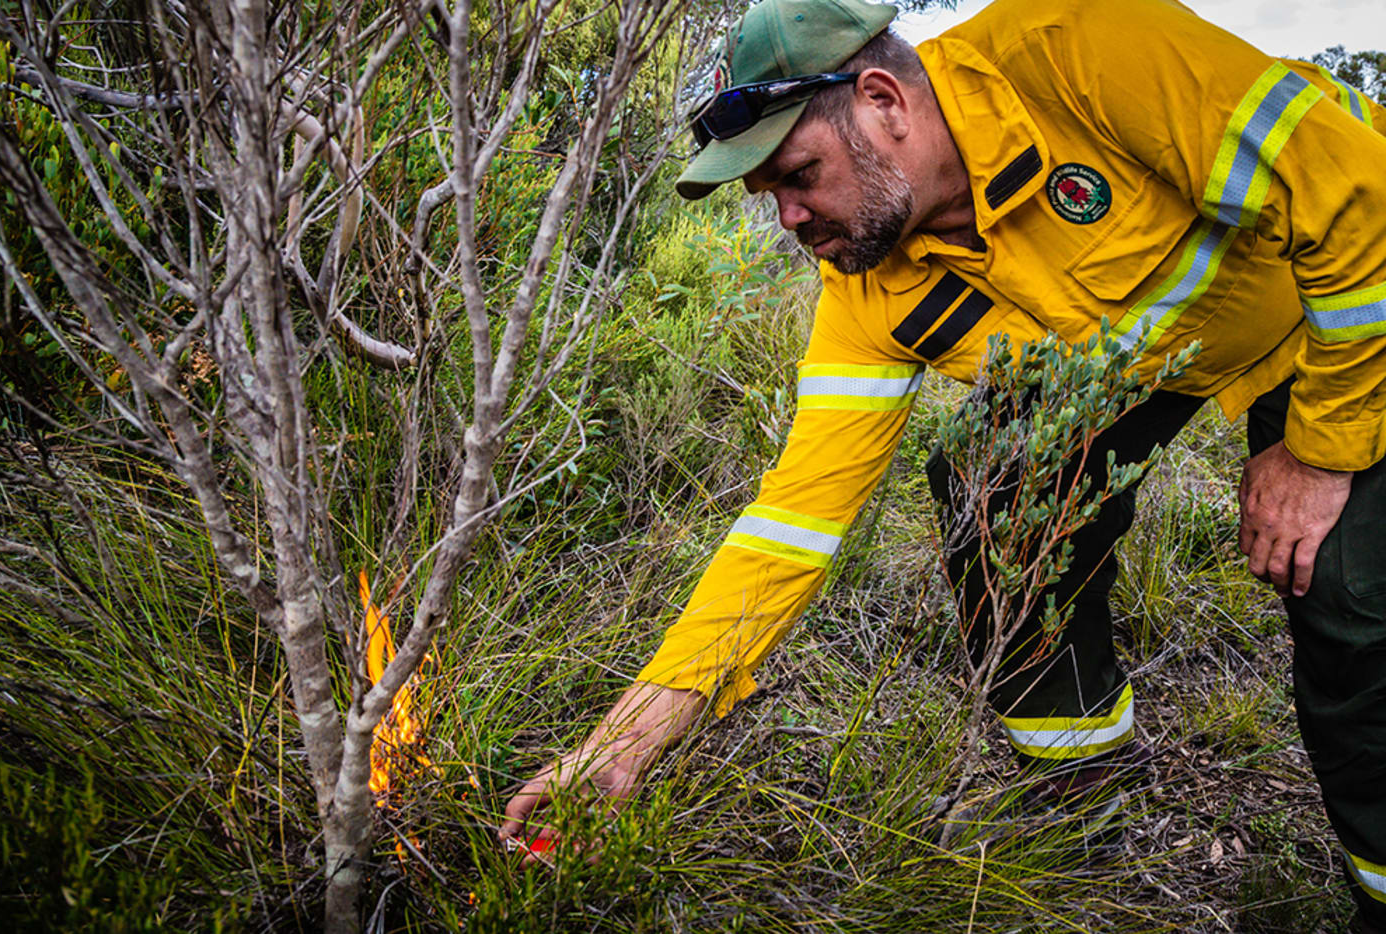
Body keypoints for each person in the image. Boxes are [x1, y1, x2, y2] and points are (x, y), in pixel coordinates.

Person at [501, 0, 1386, 923]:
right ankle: (1081, 797)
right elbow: (791, 523)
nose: (790, 219)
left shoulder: (1083, 46)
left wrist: (1319, 454)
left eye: (799, 174)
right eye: (767, 196)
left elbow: (1363, 203)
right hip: (1142, 359)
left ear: (884, 99)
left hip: (1349, 302)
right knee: (992, 485)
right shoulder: (863, 284)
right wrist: (626, 742)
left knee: (1352, 597)